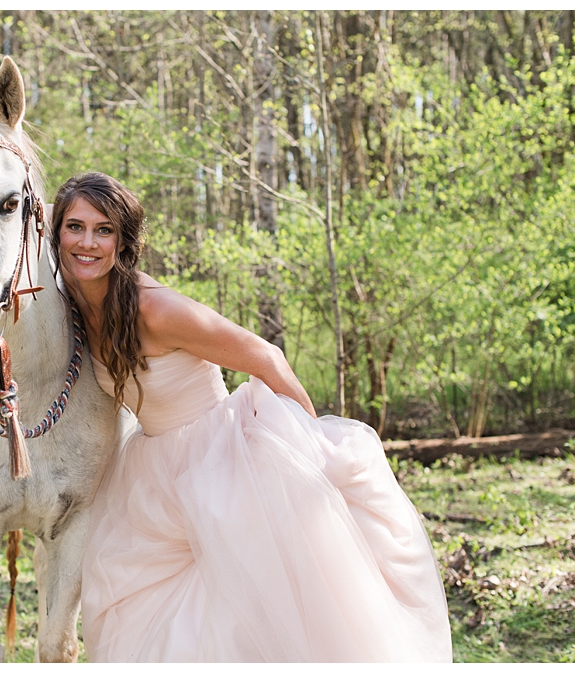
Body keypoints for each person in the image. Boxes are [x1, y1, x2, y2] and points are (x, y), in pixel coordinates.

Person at [50, 172, 453, 663]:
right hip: (153, 471)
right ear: (56, 233)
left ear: (123, 241)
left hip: (221, 456)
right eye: (75, 226)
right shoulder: (68, 308)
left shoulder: (155, 309)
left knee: (257, 607)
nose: (87, 242)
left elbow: (268, 358)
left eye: (104, 229)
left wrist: (313, 446)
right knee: (152, 607)